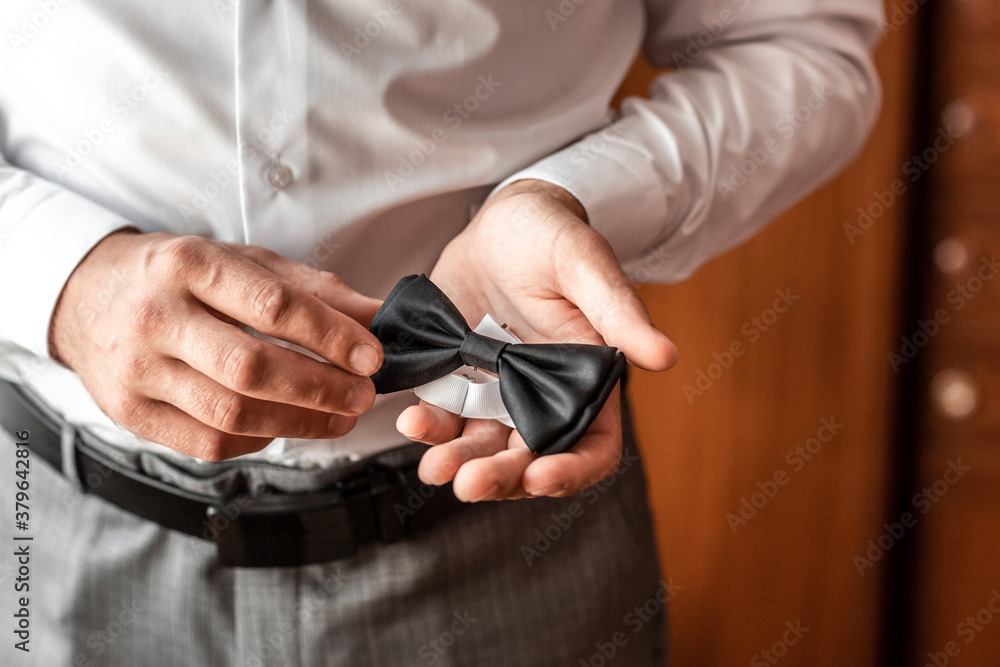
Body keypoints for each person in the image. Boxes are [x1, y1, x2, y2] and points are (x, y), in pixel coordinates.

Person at [0, 0, 883, 664]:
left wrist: (581, 197)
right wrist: (59, 276)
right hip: (55, 543)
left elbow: (803, 45)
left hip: (512, 539)